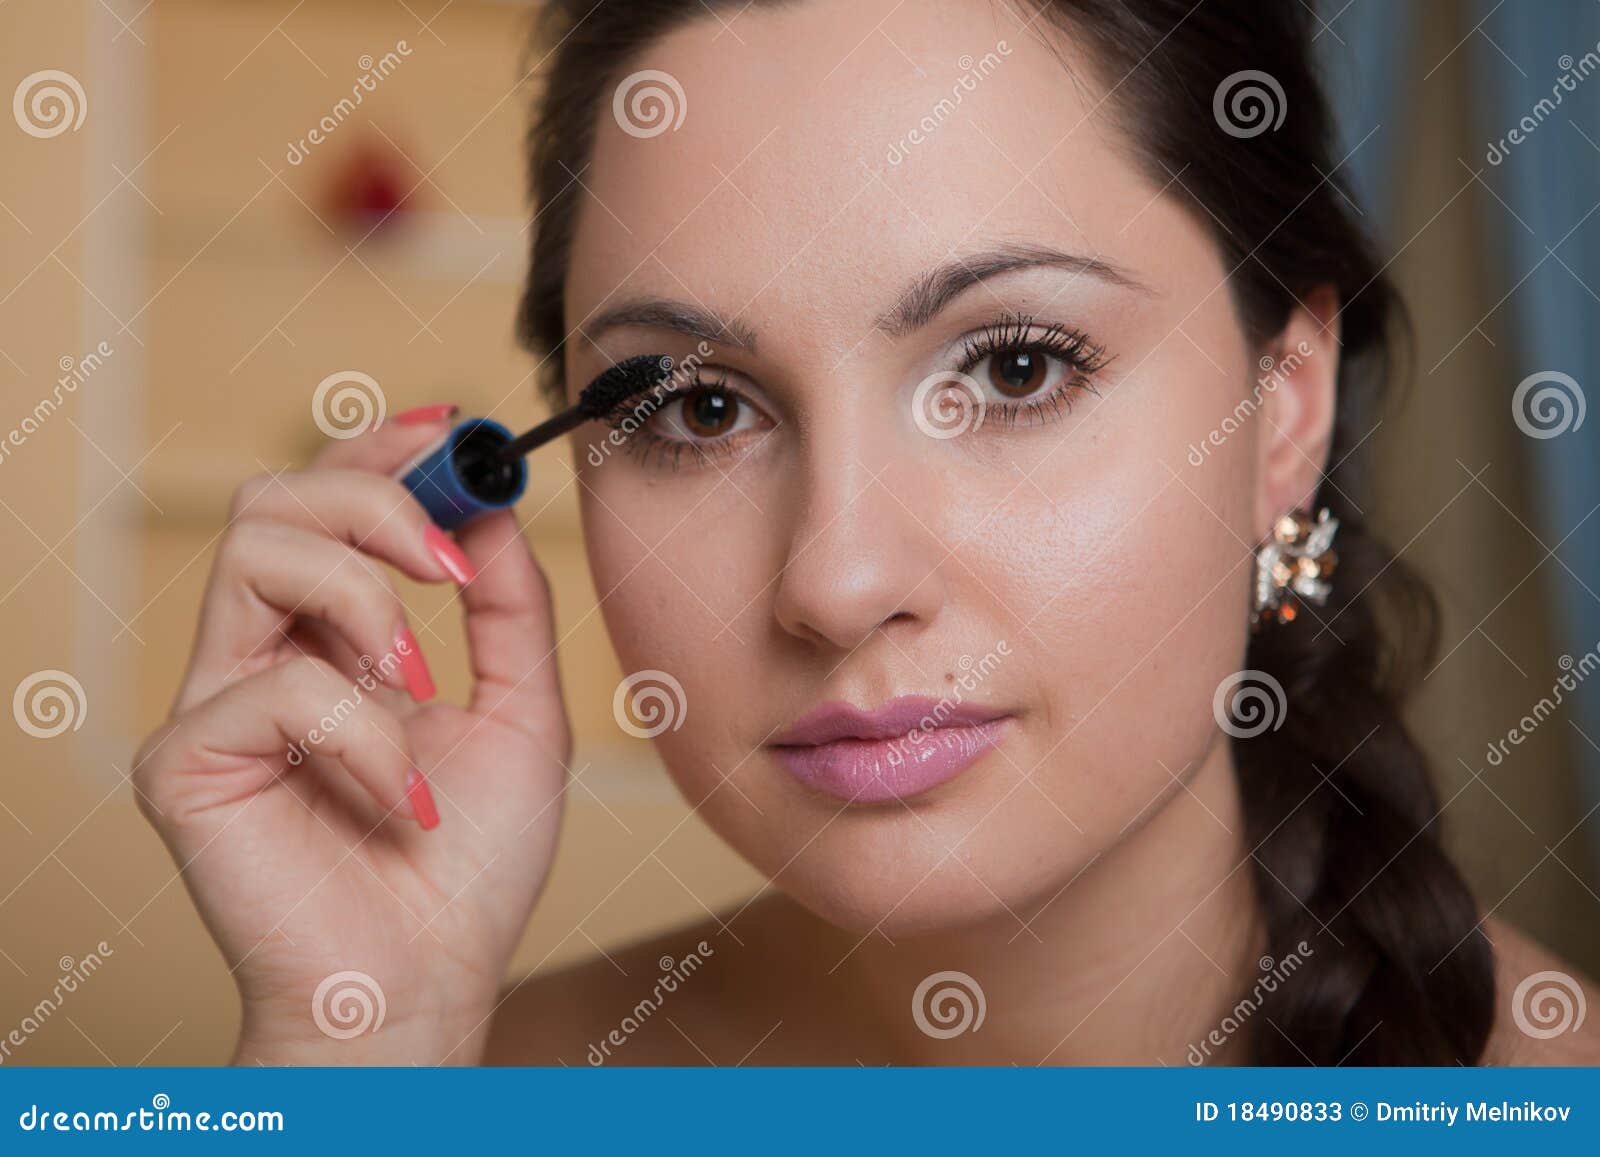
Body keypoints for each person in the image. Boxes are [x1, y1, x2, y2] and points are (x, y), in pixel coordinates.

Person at [135, 0, 1600, 1065]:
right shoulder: (460, 1076)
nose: (835, 580)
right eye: (698, 409)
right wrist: (360, 1037)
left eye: (1017, 366)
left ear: (1282, 408)